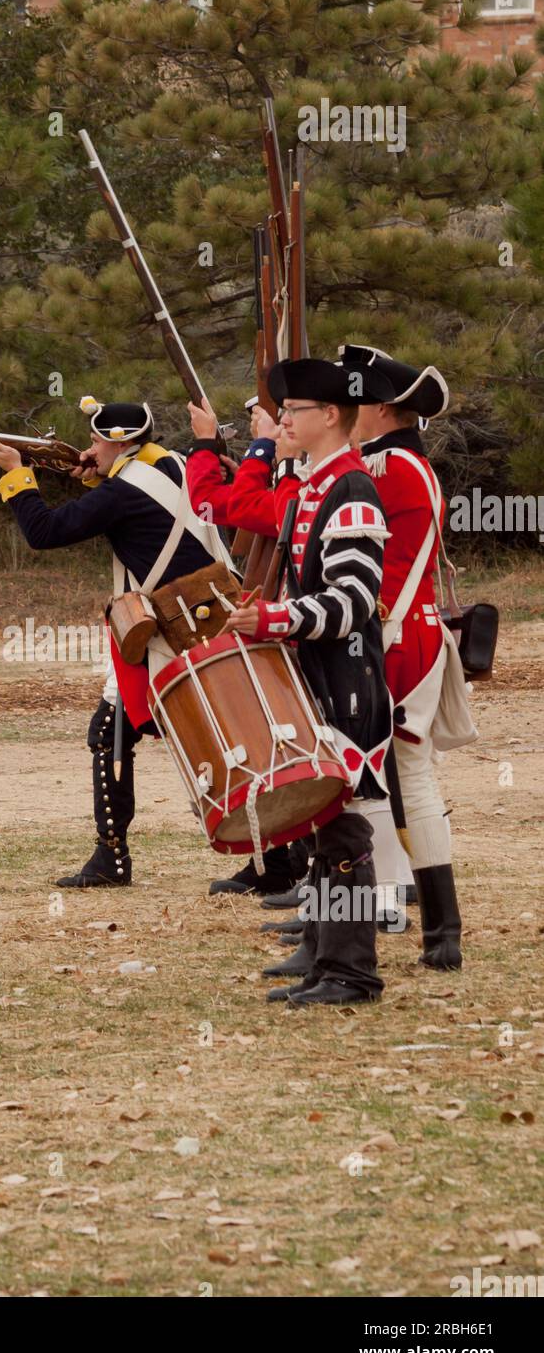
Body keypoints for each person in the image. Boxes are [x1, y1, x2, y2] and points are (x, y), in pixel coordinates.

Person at [0, 395, 230, 888]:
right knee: (132, 732)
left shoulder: (122, 491)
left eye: (97, 440)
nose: (89, 448)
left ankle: (113, 858)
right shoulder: (172, 463)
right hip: (204, 614)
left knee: (133, 734)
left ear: (118, 443)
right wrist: (99, 472)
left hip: (175, 629)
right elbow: (139, 498)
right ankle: (112, 856)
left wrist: (17, 474)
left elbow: (44, 531)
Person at [224, 358, 394, 1005]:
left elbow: (352, 601)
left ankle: (353, 973)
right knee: (323, 821)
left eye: (293, 410)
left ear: (329, 416)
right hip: (320, 676)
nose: (282, 419)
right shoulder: (317, 487)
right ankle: (326, 956)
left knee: (343, 827)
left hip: (347, 680)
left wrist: (272, 617)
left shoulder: (351, 490)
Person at [343, 344, 477, 969]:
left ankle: (409, 919)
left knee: (396, 780)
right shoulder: (393, 464)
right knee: (398, 781)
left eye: (357, 400)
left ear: (382, 409)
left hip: (390, 636)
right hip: (403, 632)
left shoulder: (386, 469)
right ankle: (429, 927)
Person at [187, 394, 309, 898]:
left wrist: (254, 448)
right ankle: (281, 862)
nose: (281, 426)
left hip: (300, 622)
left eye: (286, 419)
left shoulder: (306, 483)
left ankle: (313, 872)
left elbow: (218, 503)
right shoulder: (299, 478)